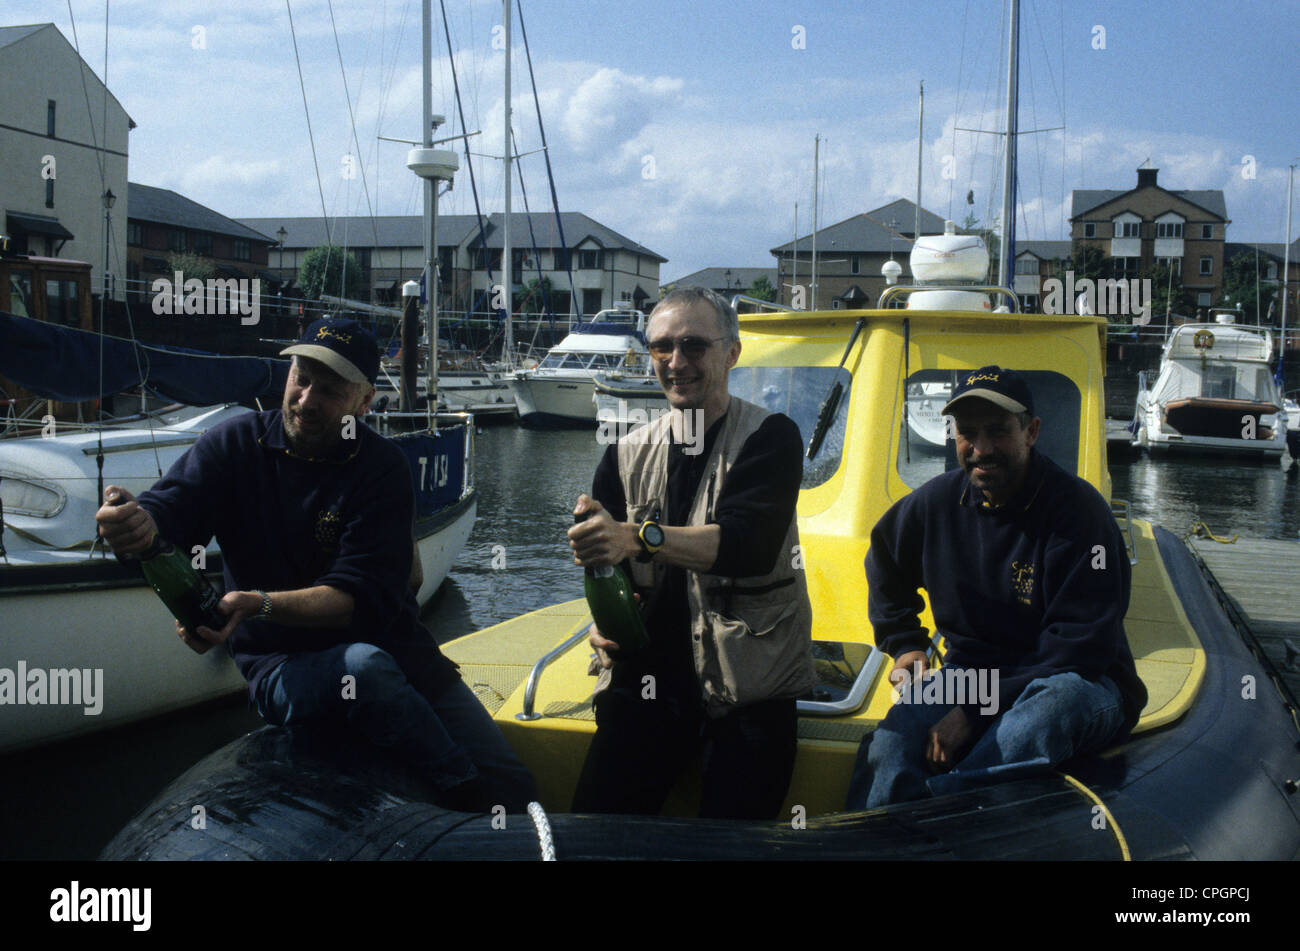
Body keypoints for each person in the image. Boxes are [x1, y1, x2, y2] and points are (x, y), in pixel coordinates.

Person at [95, 317, 536, 813]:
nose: (305, 400)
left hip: (405, 658)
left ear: (364, 402)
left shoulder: (382, 468)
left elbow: (359, 600)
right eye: (301, 379)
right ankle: (463, 793)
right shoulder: (233, 446)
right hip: (283, 668)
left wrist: (256, 604)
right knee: (366, 671)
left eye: (328, 390)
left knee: (514, 786)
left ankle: (486, 805)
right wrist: (135, 526)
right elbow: (168, 518)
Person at [845, 366, 1148, 809]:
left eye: (998, 431)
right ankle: (868, 839)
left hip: (1081, 681)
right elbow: (885, 559)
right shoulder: (934, 504)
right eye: (968, 433)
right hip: (971, 677)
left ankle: (940, 827)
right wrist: (906, 642)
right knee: (890, 747)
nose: (981, 449)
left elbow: (1081, 649)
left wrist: (973, 711)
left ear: (1032, 431)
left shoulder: (1080, 515)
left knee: (1042, 717)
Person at [566, 286, 816, 820]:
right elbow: (609, 571)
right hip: (649, 681)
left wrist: (635, 536)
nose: (676, 362)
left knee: (735, 841)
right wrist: (602, 618)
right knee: (593, 830)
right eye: (661, 348)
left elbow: (747, 545)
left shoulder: (771, 439)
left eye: (694, 346)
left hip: (748, 683)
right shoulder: (624, 452)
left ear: (731, 353)